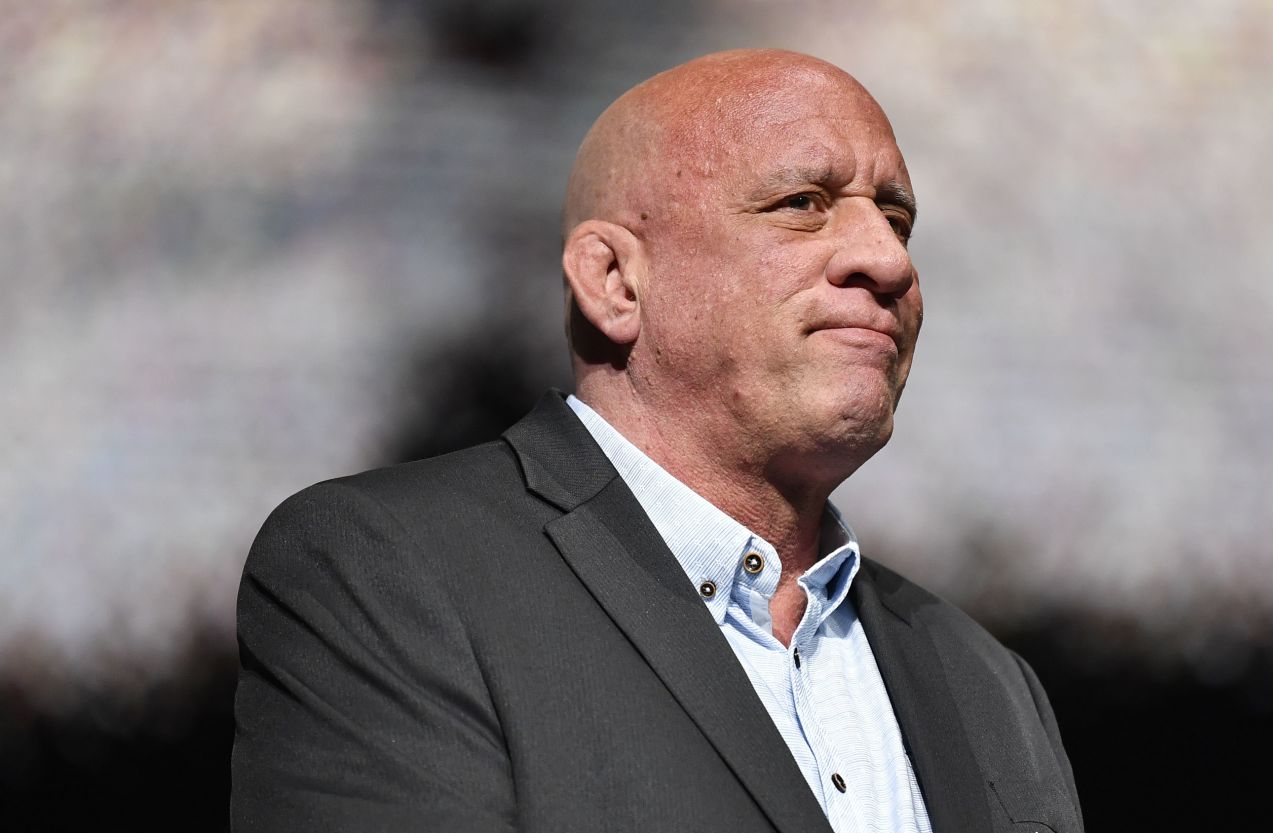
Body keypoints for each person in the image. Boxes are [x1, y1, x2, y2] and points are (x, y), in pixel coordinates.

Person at [232, 49, 1082, 833]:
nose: (888, 262)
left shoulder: (989, 684)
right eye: (803, 204)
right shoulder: (391, 576)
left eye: (896, 219)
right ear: (613, 282)